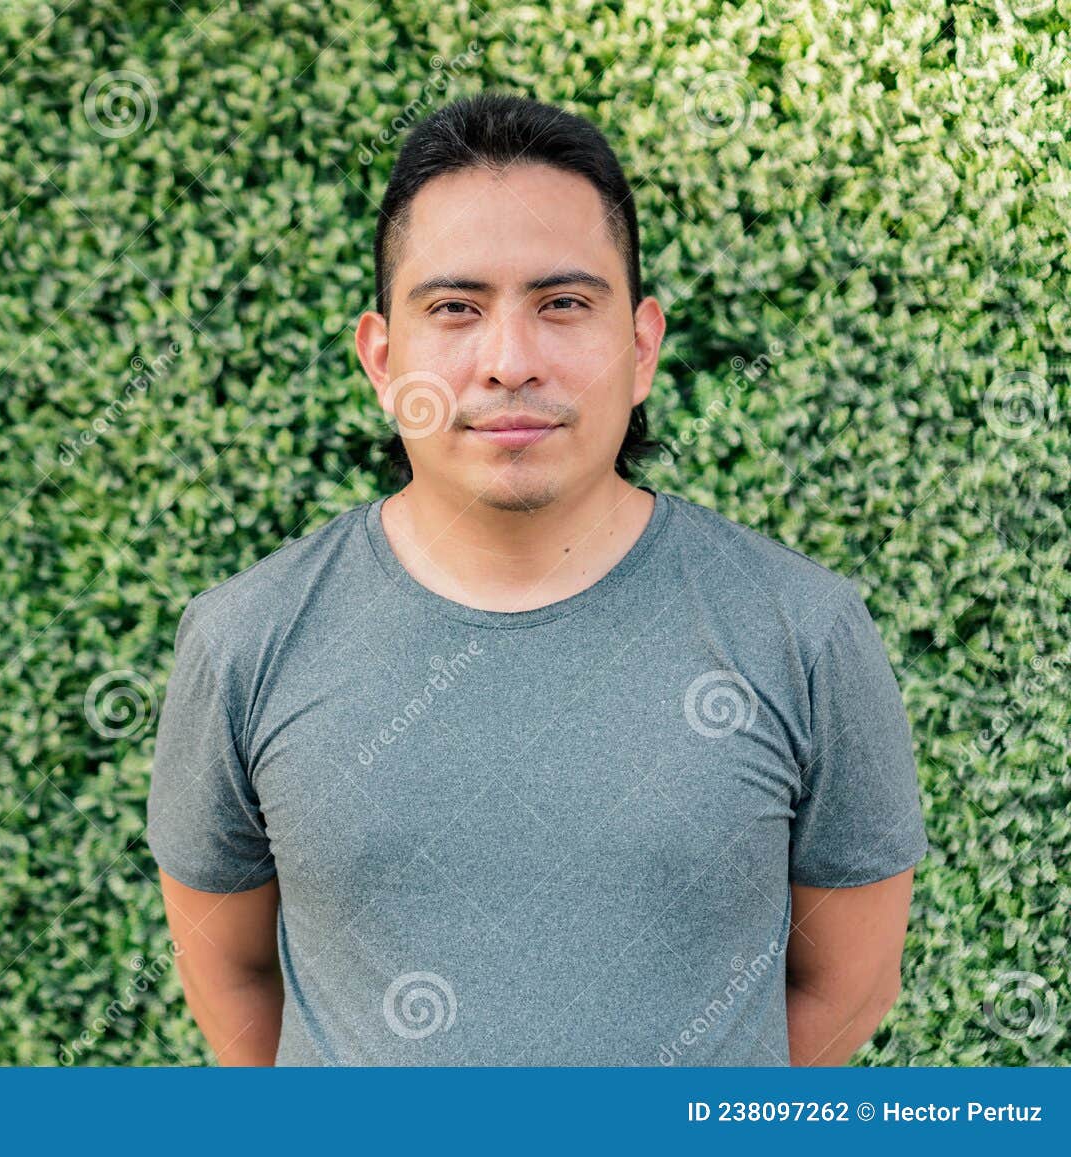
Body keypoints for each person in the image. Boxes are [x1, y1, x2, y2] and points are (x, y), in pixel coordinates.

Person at [145, 91, 929, 1066]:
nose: (509, 360)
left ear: (640, 346)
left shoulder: (803, 631)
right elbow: (231, 976)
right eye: (454, 309)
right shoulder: (243, 639)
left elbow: (847, 985)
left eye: (562, 304)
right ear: (382, 360)